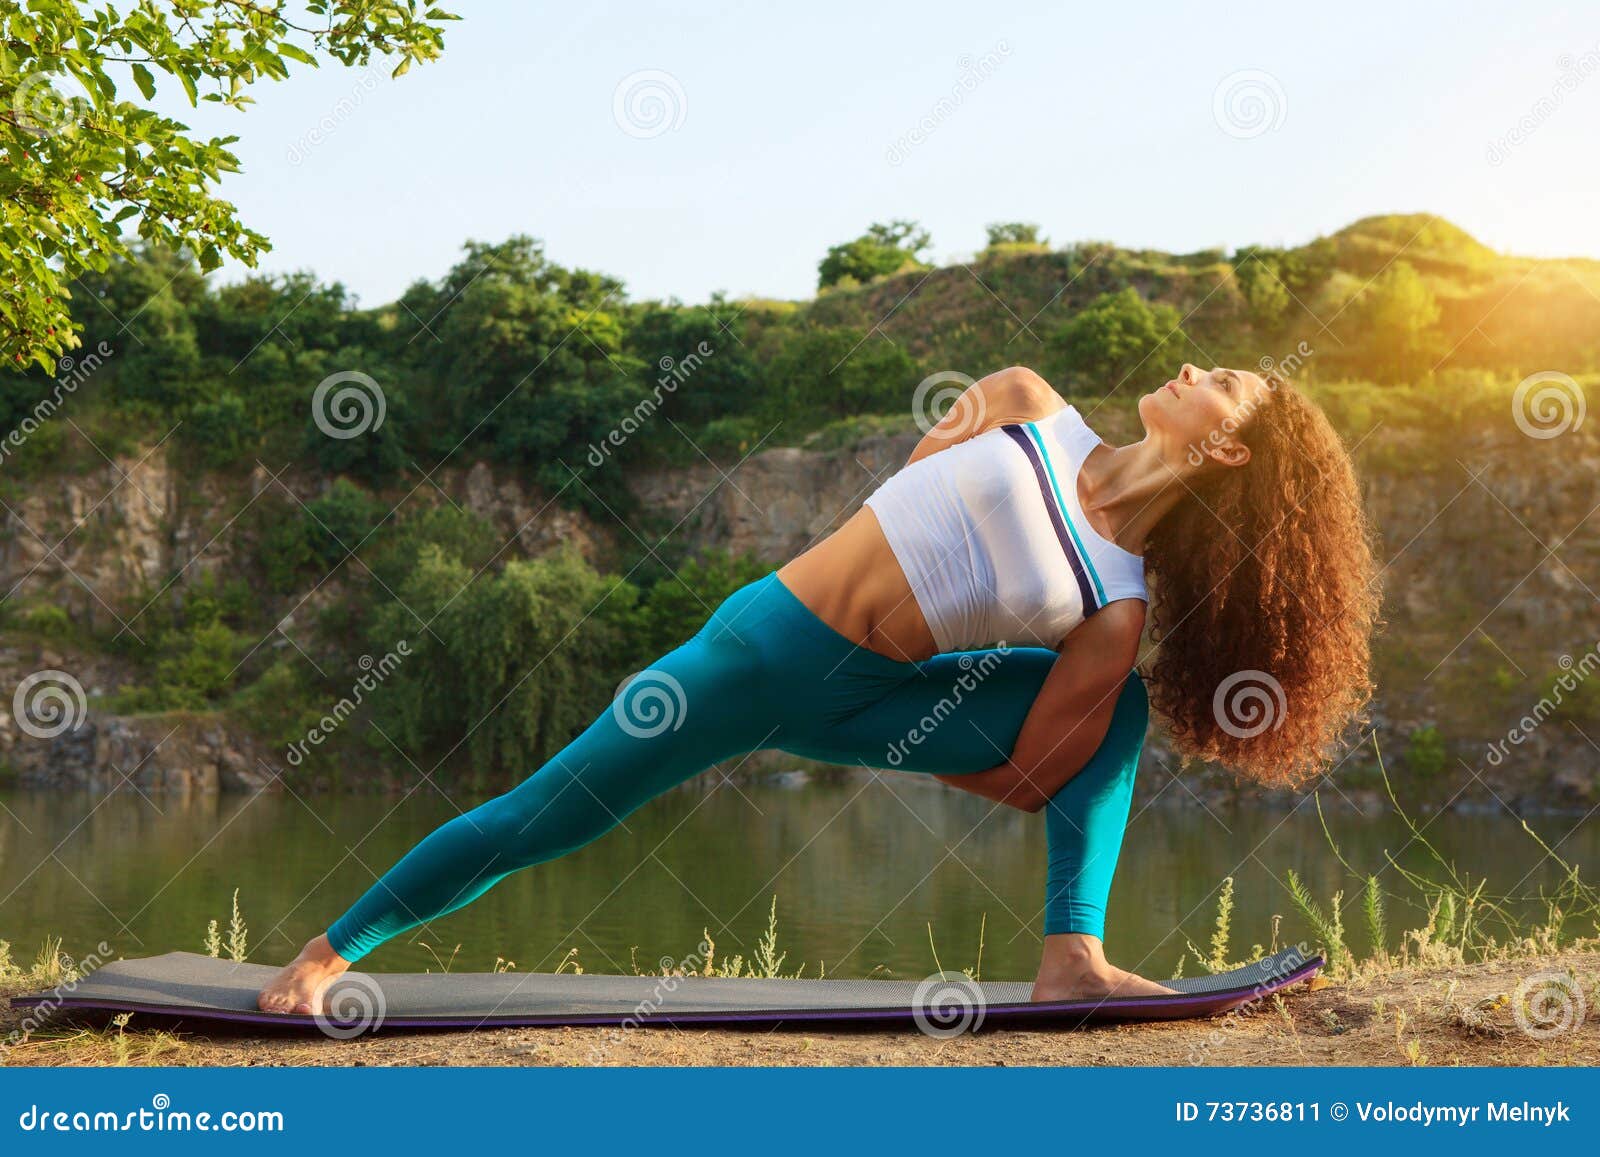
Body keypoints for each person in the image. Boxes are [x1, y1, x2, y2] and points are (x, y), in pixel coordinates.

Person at [257, 362, 1378, 1013]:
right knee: (548, 812)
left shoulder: (1116, 607)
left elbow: (1039, 770)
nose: (1194, 370)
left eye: (1221, 384)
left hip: (873, 700)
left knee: (1118, 711)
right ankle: (324, 955)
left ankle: (1070, 958)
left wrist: (928, 739)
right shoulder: (1028, 399)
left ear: (1230, 450)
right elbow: (902, 490)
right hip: (755, 650)